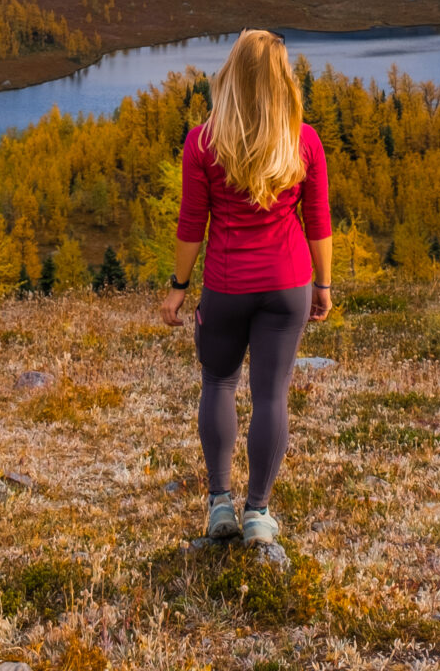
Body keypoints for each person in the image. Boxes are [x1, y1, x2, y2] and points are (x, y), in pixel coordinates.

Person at [160, 29, 333, 549]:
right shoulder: (303, 141)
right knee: (271, 396)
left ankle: (220, 504)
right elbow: (318, 220)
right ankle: (258, 512)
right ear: (283, 80)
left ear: (230, 76)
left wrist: (177, 288)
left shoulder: (204, 141)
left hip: (227, 285)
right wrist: (323, 284)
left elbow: (192, 224)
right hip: (287, 286)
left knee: (218, 384)